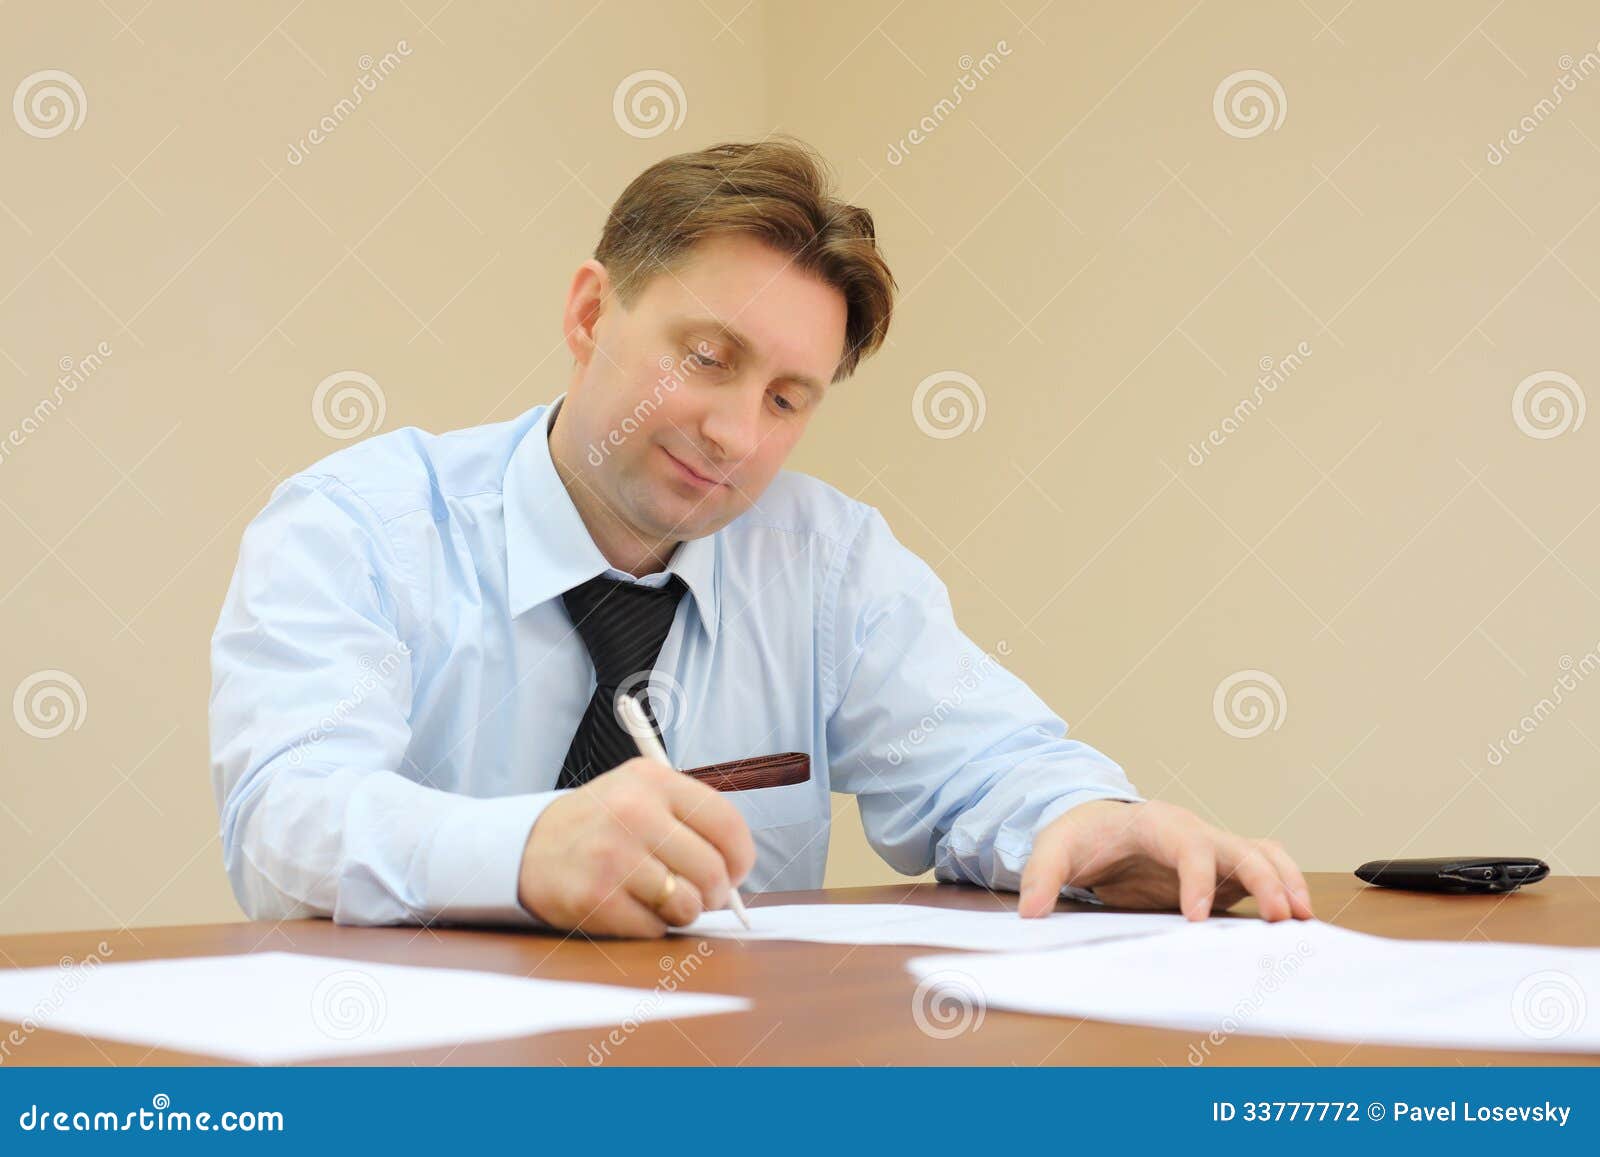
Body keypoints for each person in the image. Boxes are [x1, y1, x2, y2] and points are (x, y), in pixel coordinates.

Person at [209, 136, 1314, 938]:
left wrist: (1094, 821)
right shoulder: (359, 523)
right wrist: (524, 850)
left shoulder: (826, 560)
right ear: (591, 314)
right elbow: (285, 815)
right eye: (706, 357)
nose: (735, 434)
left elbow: (987, 761)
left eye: (789, 398)